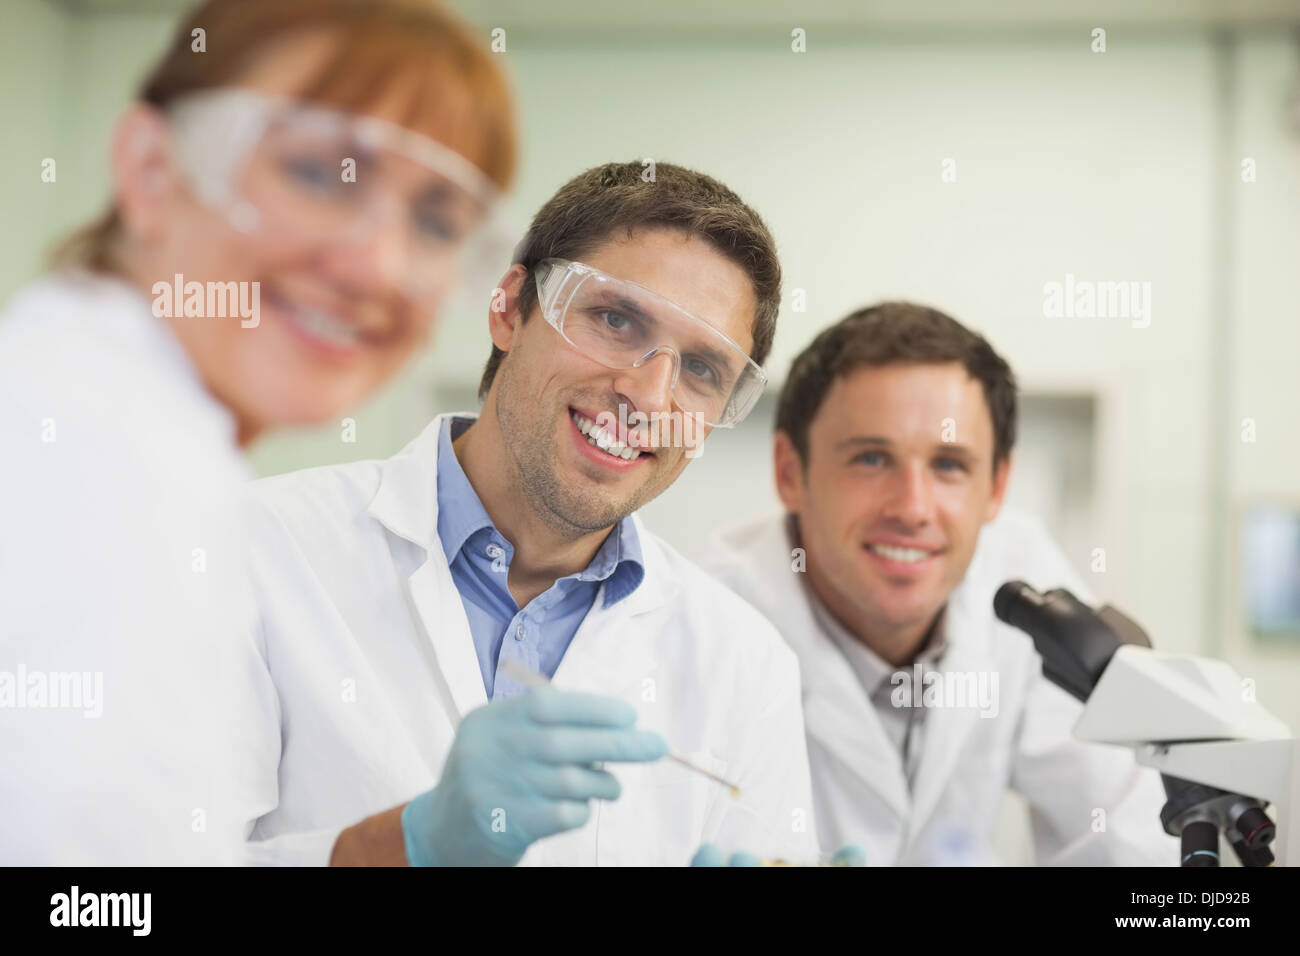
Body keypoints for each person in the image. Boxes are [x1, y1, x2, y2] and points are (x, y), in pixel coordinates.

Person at [0, 0, 516, 864]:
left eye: (435, 222)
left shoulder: (139, 440)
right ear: (153, 169)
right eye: (319, 174)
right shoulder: (79, 452)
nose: (375, 265)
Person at [237, 160, 821, 866]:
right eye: (615, 318)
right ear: (510, 307)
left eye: (701, 370)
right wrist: (397, 848)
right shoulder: (254, 550)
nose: (649, 395)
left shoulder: (745, 665)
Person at [703, 303, 1178, 865]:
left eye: (949, 464)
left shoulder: (1027, 590)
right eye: (871, 458)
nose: (912, 508)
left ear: (997, 485)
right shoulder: (706, 621)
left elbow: (1130, 839)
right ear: (790, 472)